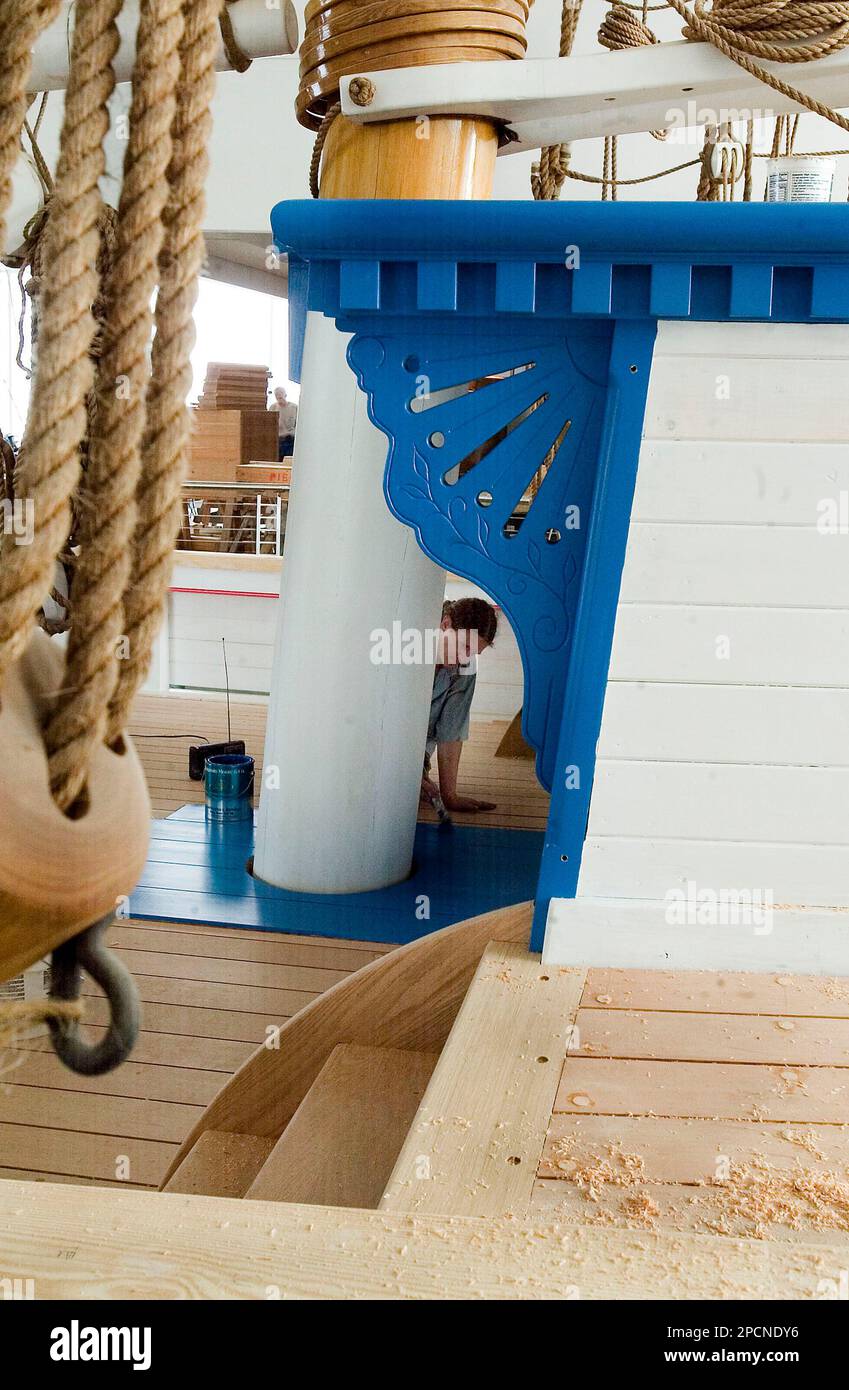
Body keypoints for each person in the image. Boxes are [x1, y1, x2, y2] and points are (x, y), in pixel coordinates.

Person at [421, 597, 499, 814]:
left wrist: (450, 797)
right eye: (464, 646)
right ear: (445, 624)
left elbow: (451, 730)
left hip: (418, 752)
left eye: (473, 652)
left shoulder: (465, 666)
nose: (465, 657)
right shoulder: (411, 648)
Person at [273, 385, 297, 460]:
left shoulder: (294, 407)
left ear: (285, 395)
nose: (279, 396)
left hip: (291, 440)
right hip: (278, 440)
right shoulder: (273, 408)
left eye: (280, 394)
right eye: (277, 394)